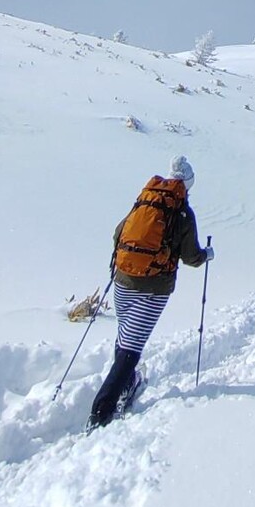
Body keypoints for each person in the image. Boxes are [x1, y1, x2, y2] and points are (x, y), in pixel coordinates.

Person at [87, 155, 212, 429]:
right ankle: (100, 414)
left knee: (125, 336)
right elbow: (191, 257)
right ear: (188, 184)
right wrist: (207, 255)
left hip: (122, 279)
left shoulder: (145, 199)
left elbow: (118, 232)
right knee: (132, 347)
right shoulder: (181, 212)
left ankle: (126, 384)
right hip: (154, 288)